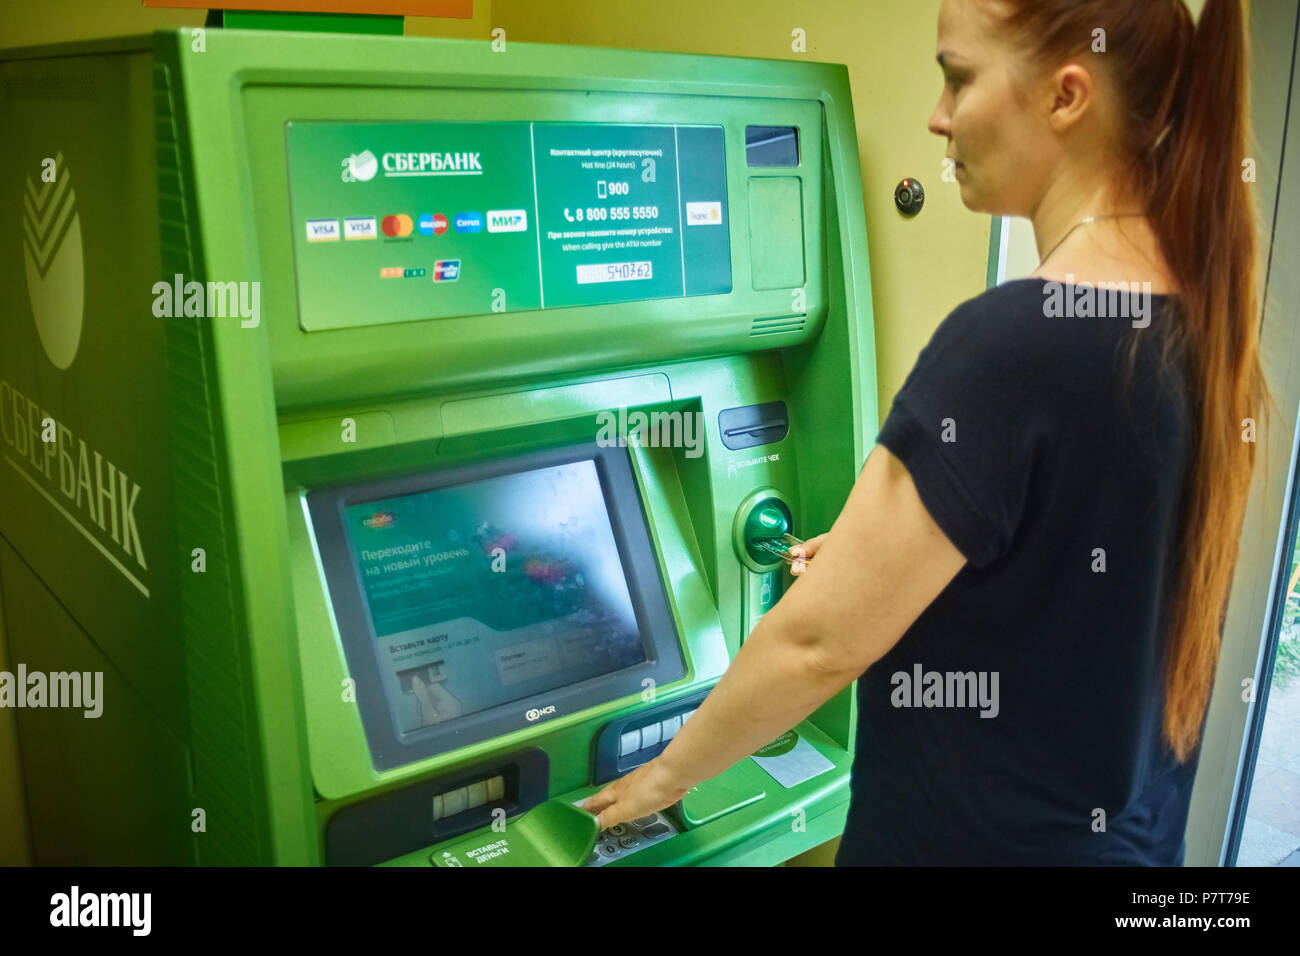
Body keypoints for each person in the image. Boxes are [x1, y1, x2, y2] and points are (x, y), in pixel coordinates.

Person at [583, 0, 1266, 864]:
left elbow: (815, 644)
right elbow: (1076, 595)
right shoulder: (1201, 326)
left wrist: (659, 781)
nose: (935, 116)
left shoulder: (1012, 340)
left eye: (958, 76)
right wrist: (891, 567)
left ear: (1065, 96)